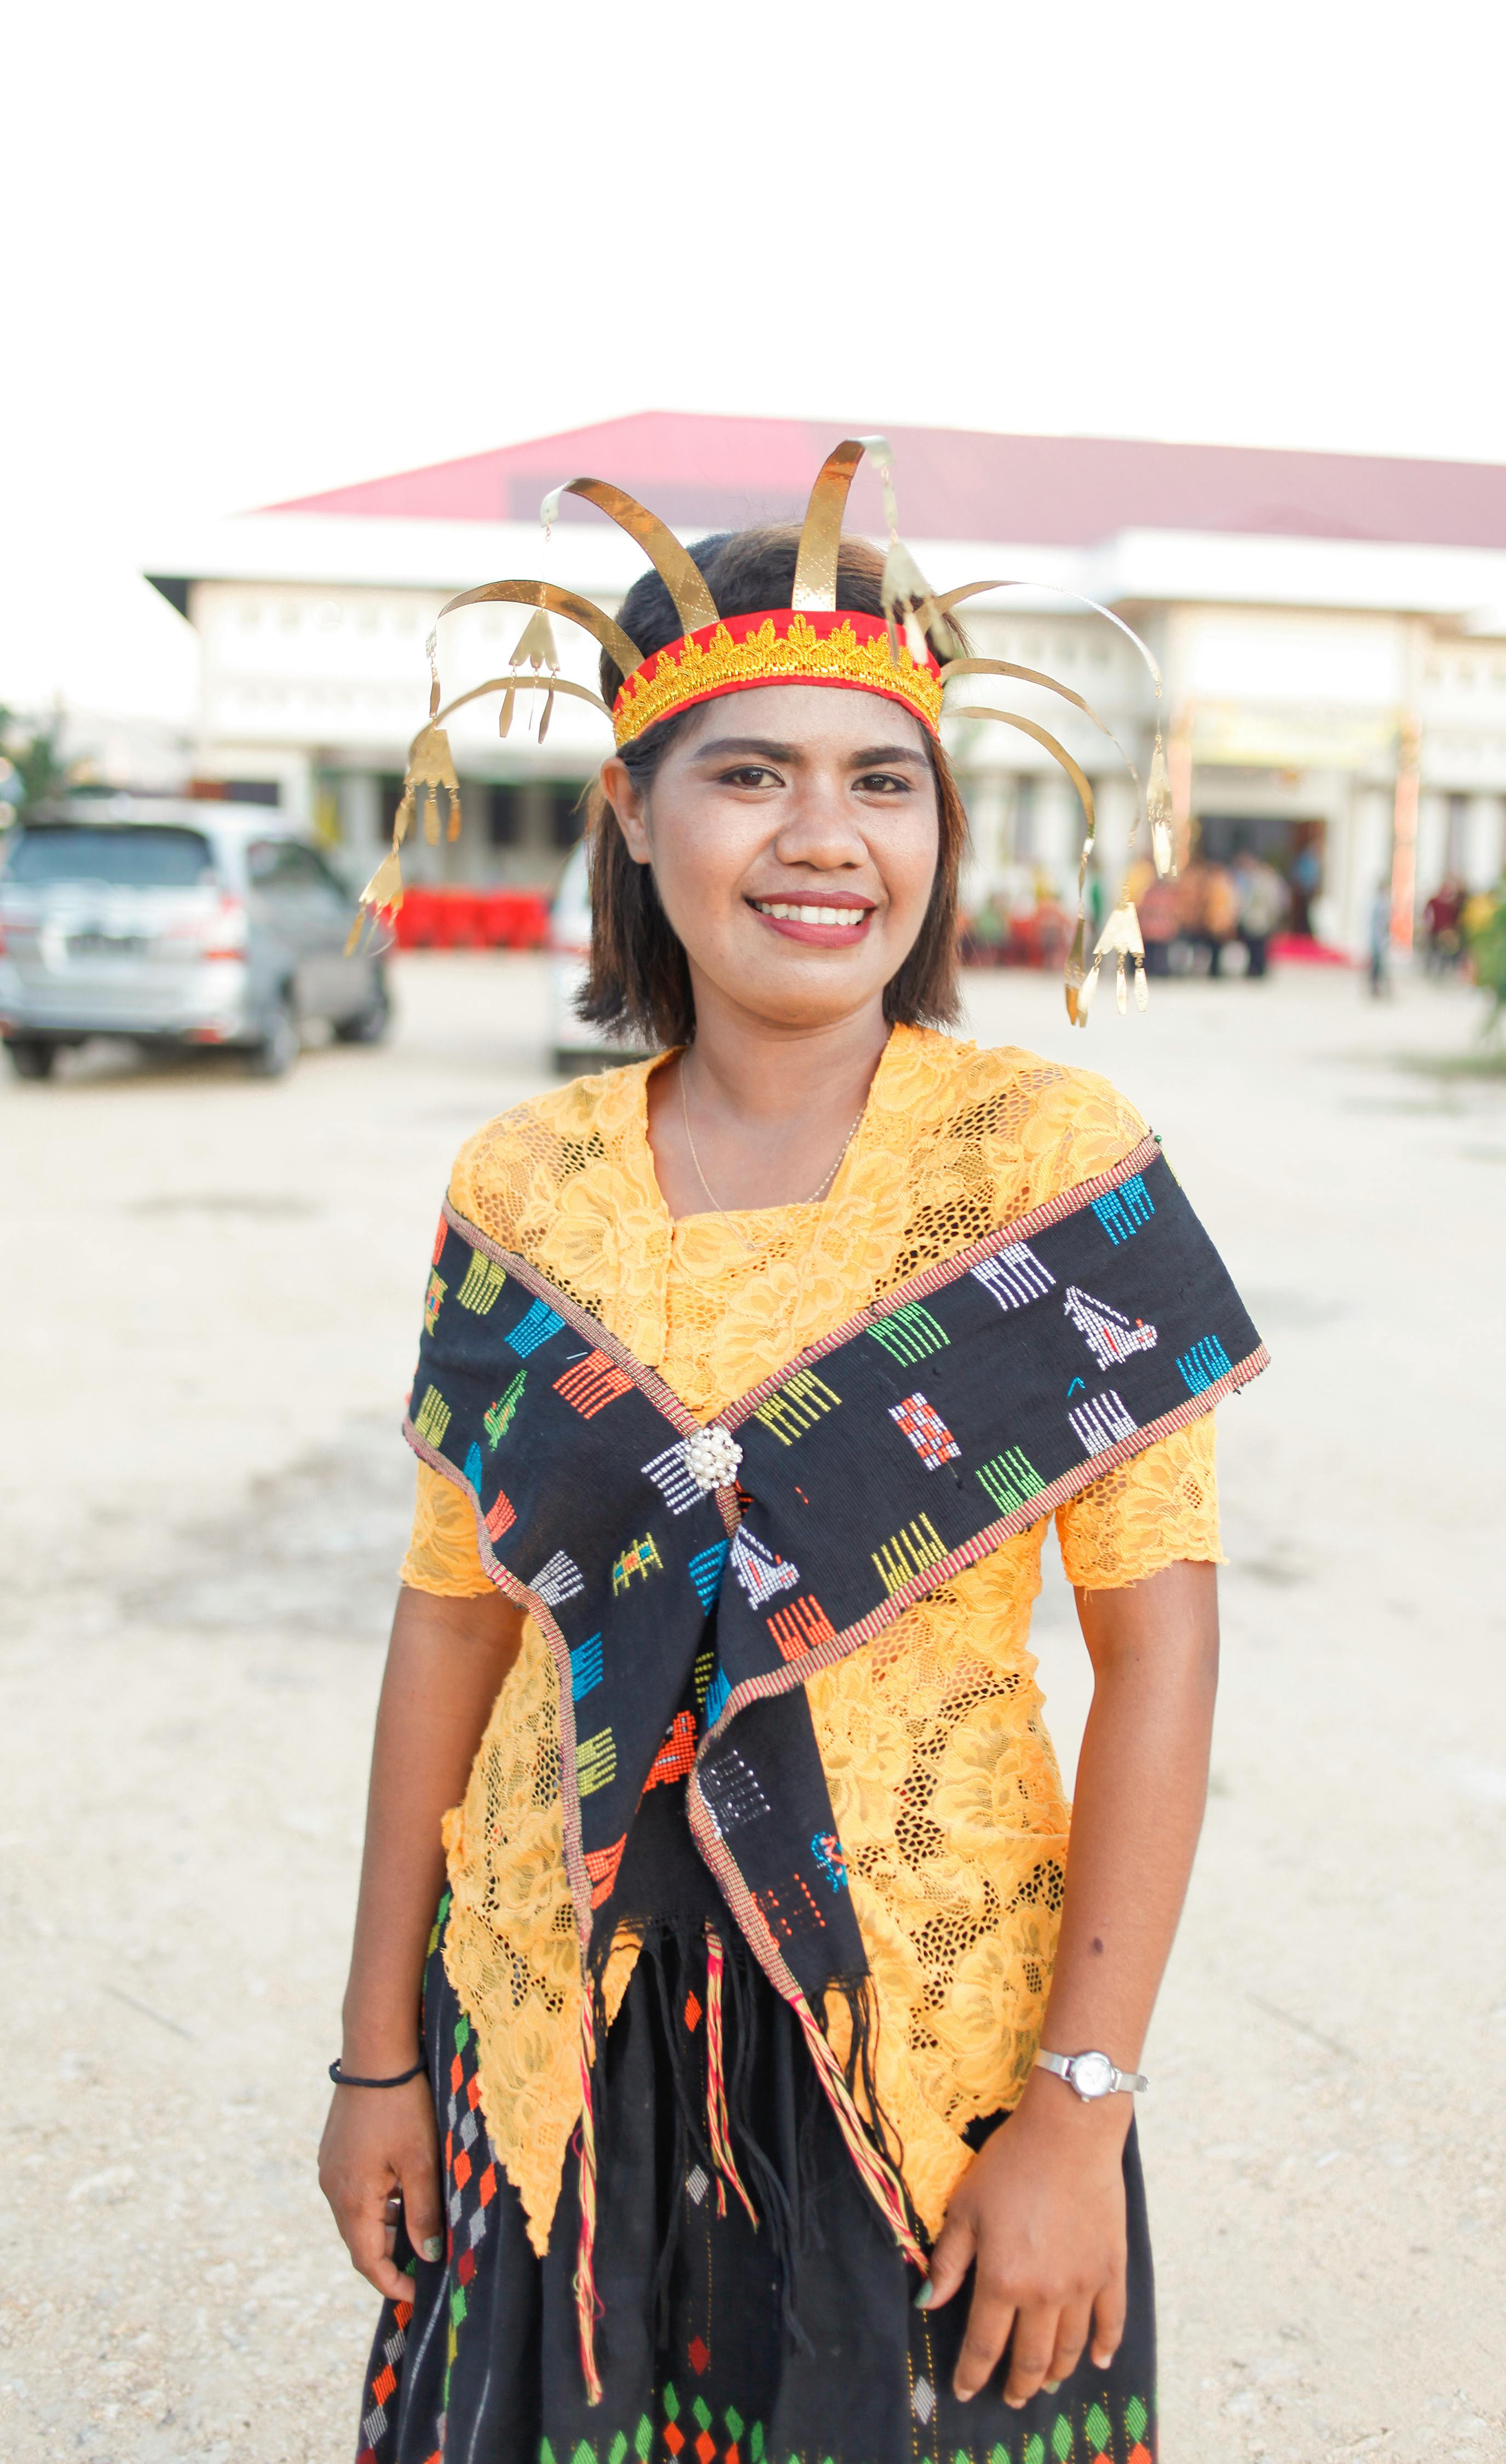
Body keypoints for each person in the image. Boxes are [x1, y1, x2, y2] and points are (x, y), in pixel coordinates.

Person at [319, 446, 1266, 2464]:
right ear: (631, 810)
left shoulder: (1045, 1166)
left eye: (881, 780)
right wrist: (376, 2054)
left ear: (938, 821)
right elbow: (449, 1633)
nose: (823, 838)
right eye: (748, 773)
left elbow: (1159, 1653)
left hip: (922, 2053)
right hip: (554, 2027)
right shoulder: (522, 1186)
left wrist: (1079, 2107)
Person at [1232, 849, 1286, 980]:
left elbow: (1273, 901)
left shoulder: (1266, 881)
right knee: (1253, 946)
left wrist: (1273, 916)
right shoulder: (1250, 879)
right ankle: (1254, 968)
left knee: (1259, 946)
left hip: (1261, 919)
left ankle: (1259, 968)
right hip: (1253, 919)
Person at [1367, 879, 1393, 998]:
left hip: (1380, 938)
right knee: (1377, 965)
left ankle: (1379, 987)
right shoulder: (1380, 904)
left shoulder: (1382, 903)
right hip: (1378, 938)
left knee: (1379, 965)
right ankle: (1377, 987)